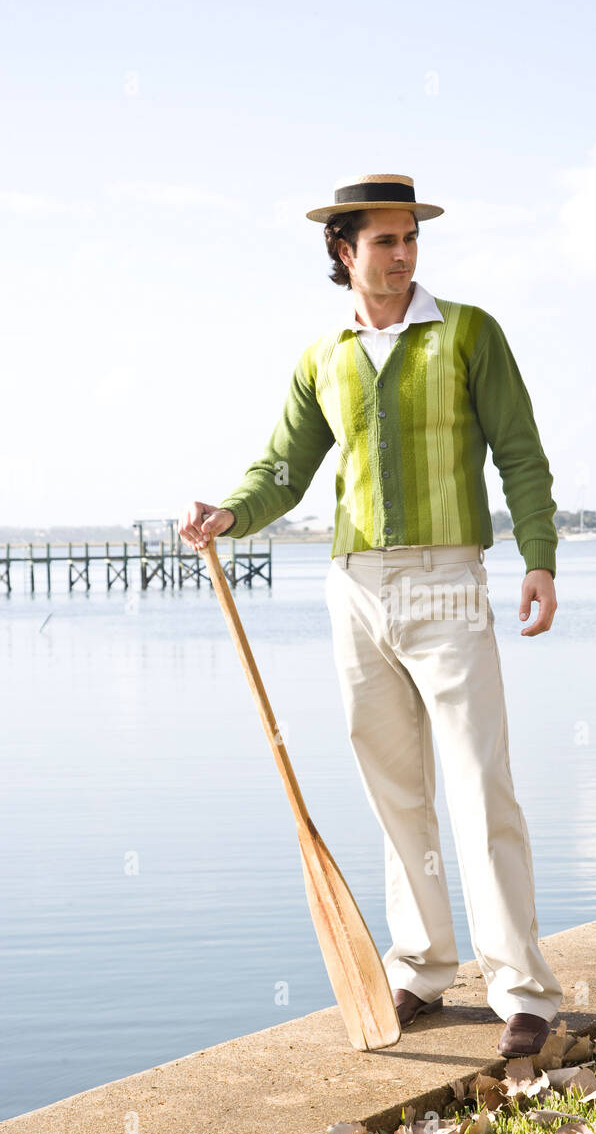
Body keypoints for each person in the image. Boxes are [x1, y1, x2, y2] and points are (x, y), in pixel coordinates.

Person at [178, 173, 563, 1056]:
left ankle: (524, 992)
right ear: (343, 250)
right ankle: (421, 969)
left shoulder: (469, 333)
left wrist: (538, 556)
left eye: (411, 238)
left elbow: (521, 454)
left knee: (480, 785)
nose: (402, 255)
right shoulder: (322, 358)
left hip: (446, 578)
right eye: (385, 240)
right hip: (353, 586)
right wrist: (229, 514)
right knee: (393, 791)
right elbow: (282, 470)